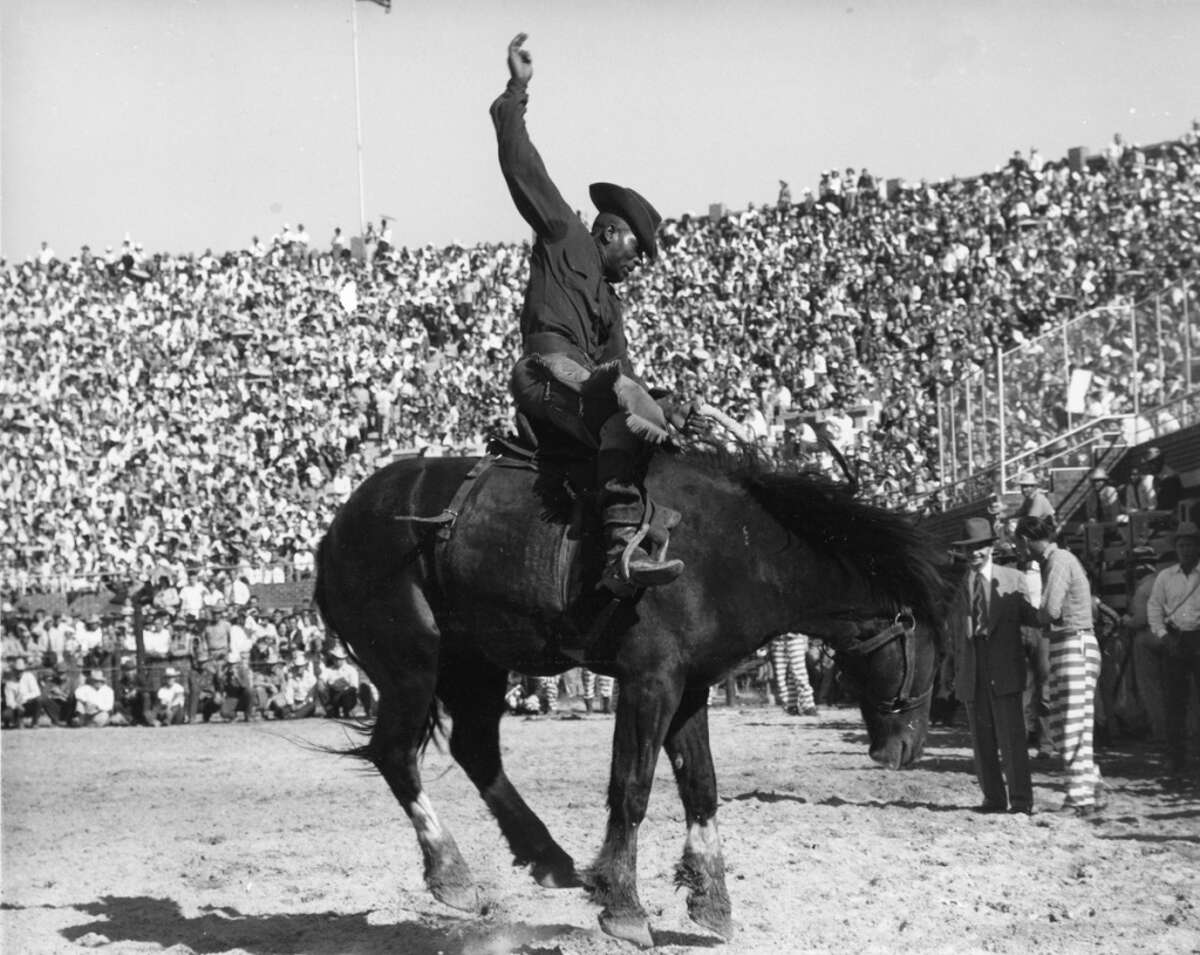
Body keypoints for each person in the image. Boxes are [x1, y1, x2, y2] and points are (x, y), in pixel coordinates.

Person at [491, 32, 686, 592]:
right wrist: (516, 90)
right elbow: (521, 165)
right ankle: (623, 547)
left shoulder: (612, 303)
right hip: (544, 372)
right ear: (611, 232)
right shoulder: (565, 233)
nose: (638, 263)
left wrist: (668, 406)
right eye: (637, 250)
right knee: (624, 406)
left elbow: (623, 372)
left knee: (652, 418)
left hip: (584, 383)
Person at [941, 518, 1039, 815]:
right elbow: (954, 634)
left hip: (1005, 664)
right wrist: (950, 670)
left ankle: (1020, 801)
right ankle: (993, 799)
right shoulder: (959, 585)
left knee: (1012, 736)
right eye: (968, 549)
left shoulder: (1014, 578)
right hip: (972, 665)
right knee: (981, 738)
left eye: (979, 548)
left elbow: (1031, 624)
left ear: (990, 547)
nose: (974, 554)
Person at [1013, 515, 1105, 815]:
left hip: (1073, 644)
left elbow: (1050, 610)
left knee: (1070, 726)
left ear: (1025, 540)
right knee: (1069, 724)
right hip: (1071, 644)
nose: (1017, 549)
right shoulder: (1057, 559)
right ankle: (1091, 790)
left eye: (1018, 543)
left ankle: (1079, 798)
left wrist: (1025, 610)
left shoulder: (1058, 560)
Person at [1146, 520, 1200, 778]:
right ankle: (1175, 758)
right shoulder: (1165, 577)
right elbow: (1154, 608)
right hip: (1175, 640)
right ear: (1176, 548)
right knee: (1175, 702)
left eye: (1191, 545)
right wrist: (1163, 636)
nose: (1186, 550)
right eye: (1182, 545)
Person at [769, 633, 819, 717]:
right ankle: (790, 705)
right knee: (781, 676)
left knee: (799, 673)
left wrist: (805, 640)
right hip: (777, 640)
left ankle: (808, 705)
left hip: (795, 638)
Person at [316, 644, 359, 718]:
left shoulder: (351, 670)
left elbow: (354, 687)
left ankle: (346, 711)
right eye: (335, 658)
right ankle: (331, 710)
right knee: (321, 688)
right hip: (333, 694)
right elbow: (321, 678)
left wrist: (340, 694)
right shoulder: (329, 670)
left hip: (346, 694)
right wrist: (320, 683)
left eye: (339, 658)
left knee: (348, 695)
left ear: (343, 659)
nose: (337, 660)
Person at [2, 657, 43, 729]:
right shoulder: (9, 682)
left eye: (21, 671)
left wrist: (24, 698)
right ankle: (14, 721)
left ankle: (35, 722)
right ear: (14, 670)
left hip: (27, 703)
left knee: (39, 700)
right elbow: (9, 701)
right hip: (16, 707)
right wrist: (17, 706)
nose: (19, 673)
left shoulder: (29, 676)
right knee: (6, 715)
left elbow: (37, 692)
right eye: (17, 671)